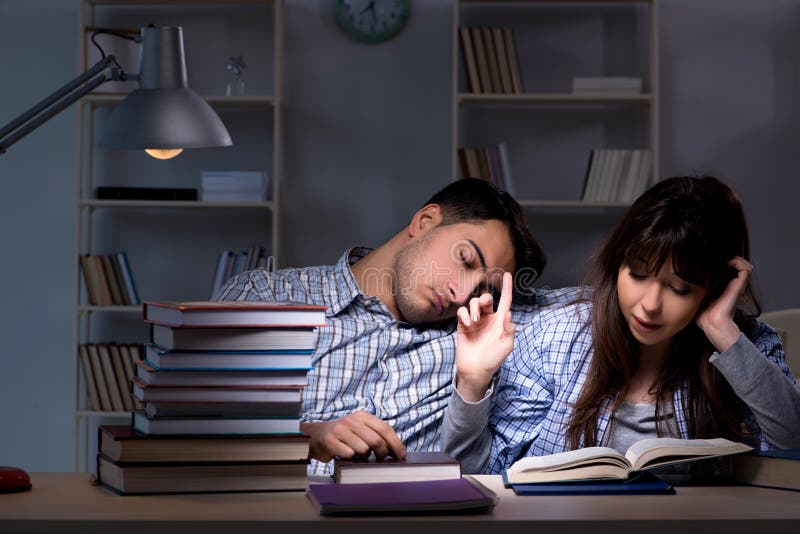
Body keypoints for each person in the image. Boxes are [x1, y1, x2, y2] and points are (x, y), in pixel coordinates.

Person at [214, 178, 579, 475]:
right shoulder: (266, 296)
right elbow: (203, 432)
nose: (462, 293)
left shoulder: (476, 331)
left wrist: (472, 382)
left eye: (482, 288)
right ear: (425, 221)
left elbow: (600, 301)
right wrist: (307, 438)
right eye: (465, 259)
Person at [443, 175, 800, 475]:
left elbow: (792, 447)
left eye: (680, 288)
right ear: (618, 262)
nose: (650, 304)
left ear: (713, 289)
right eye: (638, 274)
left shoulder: (747, 346)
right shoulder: (554, 337)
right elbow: (480, 474)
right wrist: (472, 383)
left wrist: (723, 332)